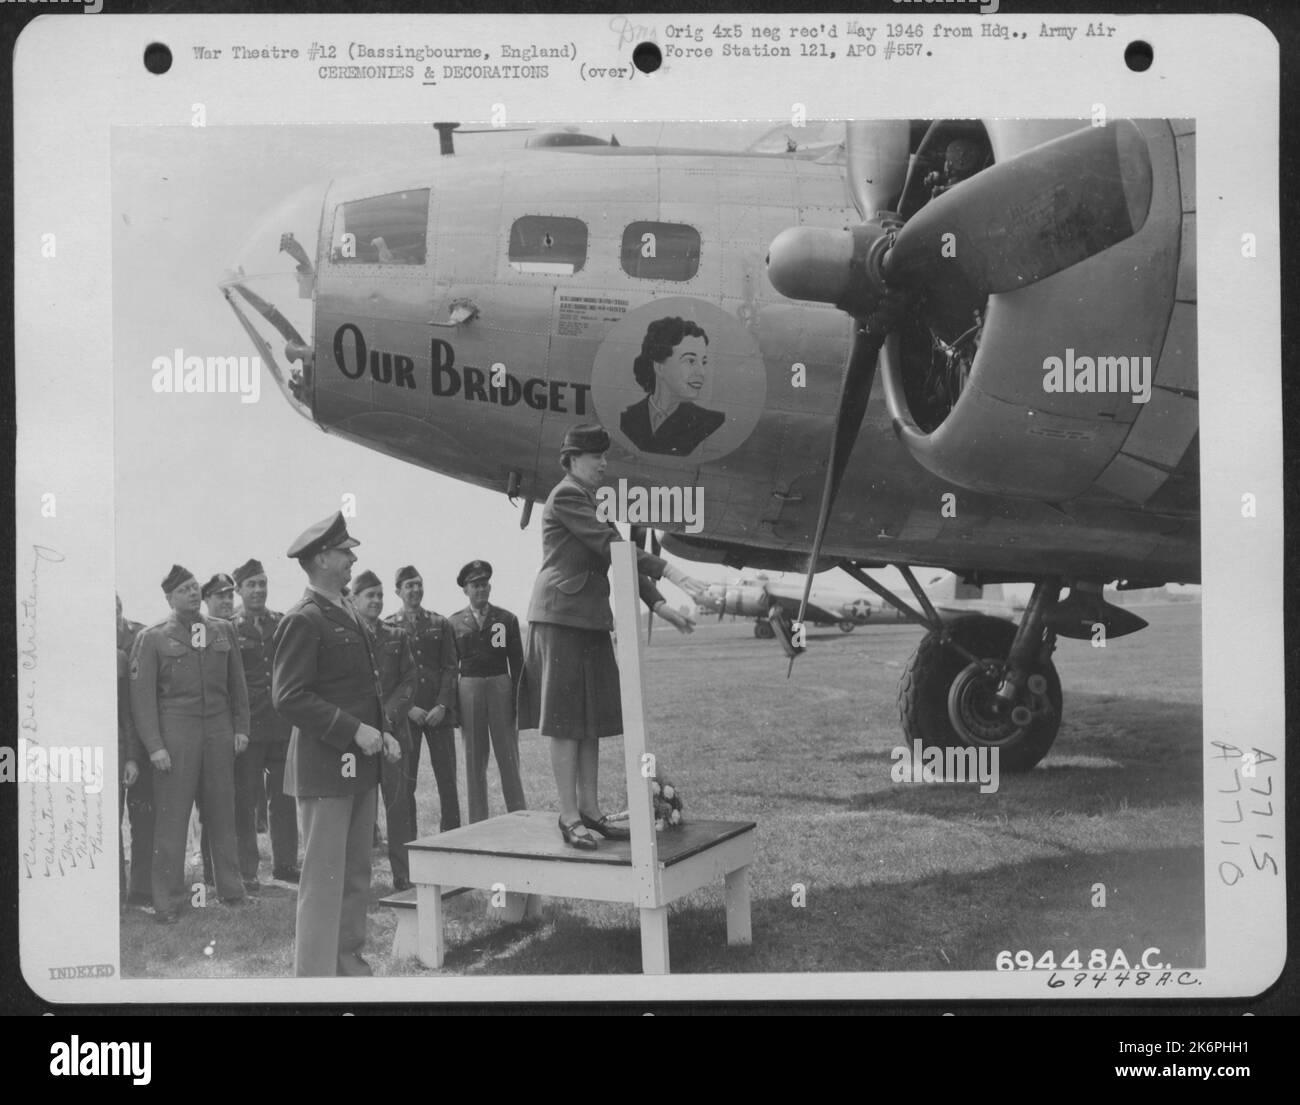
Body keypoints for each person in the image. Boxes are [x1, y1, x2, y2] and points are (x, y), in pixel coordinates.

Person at [517, 424, 705, 849]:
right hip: (561, 617)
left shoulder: (590, 499)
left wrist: (660, 605)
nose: (604, 463)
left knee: (590, 723)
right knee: (566, 724)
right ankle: (569, 817)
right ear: (572, 460)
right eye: (596, 456)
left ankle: (591, 811)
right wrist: (673, 571)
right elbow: (610, 547)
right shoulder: (566, 495)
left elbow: (619, 556)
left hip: (589, 621)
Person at [272, 512, 401, 976]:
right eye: (345, 552)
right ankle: (314, 979)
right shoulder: (304, 619)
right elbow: (289, 697)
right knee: (325, 881)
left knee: (355, 875)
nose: (353, 558)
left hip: (358, 765)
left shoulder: (343, 609)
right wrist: (354, 730)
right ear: (323, 558)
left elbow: (357, 685)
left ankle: (347, 965)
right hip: (327, 768)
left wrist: (379, 731)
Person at [127, 566, 249, 923]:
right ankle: (168, 900)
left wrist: (241, 727)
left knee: (223, 812)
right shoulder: (152, 638)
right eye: (183, 590)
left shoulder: (223, 630)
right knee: (172, 818)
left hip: (219, 732)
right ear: (169, 598)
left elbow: (237, 685)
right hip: (175, 736)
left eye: (195, 587)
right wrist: (154, 747)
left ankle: (231, 889)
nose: (193, 593)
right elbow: (142, 700)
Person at [349, 569, 419, 891]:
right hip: (360, 738)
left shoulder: (397, 636)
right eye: (369, 595)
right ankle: (357, 878)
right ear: (354, 599)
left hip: (393, 734)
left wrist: (387, 723)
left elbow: (408, 683)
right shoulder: (347, 637)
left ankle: (404, 875)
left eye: (379, 595)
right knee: (360, 807)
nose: (376, 601)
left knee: (398, 803)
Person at [232, 558, 299, 884]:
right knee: (245, 800)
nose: (258, 590)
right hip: (248, 728)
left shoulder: (282, 622)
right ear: (239, 590)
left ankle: (285, 864)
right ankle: (247, 870)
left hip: (282, 724)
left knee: (284, 798)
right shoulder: (229, 627)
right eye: (251, 585)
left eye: (262, 584)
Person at [384, 566, 461, 833]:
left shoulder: (440, 623)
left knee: (447, 779)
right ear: (398, 591)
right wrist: (407, 709)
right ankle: (410, 841)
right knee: (407, 782)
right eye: (408, 586)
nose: (415, 590)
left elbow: (451, 667)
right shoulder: (389, 626)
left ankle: (451, 837)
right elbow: (388, 677)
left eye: (418, 584)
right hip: (408, 716)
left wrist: (442, 705)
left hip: (438, 713)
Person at [449, 560, 526, 824]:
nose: (481, 590)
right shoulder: (455, 623)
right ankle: (478, 823)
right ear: (465, 590)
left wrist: (517, 700)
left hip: (500, 686)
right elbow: (451, 667)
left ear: (490, 587)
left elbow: (518, 664)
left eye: (484, 584)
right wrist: (454, 707)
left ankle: (518, 815)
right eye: (475, 585)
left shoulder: (506, 619)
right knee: (473, 758)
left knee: (508, 755)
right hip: (468, 688)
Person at [619, 317, 724, 457]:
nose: (702, 372)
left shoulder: (710, 422)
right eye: (691, 360)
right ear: (659, 367)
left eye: (703, 362)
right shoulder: (627, 418)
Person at [117, 594, 152, 909]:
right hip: (119, 740)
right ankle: (114, 895)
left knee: (143, 818)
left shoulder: (141, 635)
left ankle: (142, 890)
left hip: (145, 738)